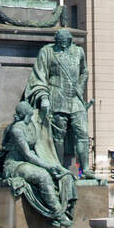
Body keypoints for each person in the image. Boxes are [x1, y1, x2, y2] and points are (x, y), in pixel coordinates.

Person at [24, 28, 93, 177]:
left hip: (75, 98)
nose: (62, 45)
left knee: (82, 133)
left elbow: (84, 72)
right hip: (57, 96)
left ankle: (86, 169)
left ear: (70, 40)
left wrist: (80, 88)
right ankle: (59, 167)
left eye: (65, 42)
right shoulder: (47, 51)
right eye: (59, 42)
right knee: (58, 135)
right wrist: (44, 97)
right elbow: (40, 74)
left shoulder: (79, 52)